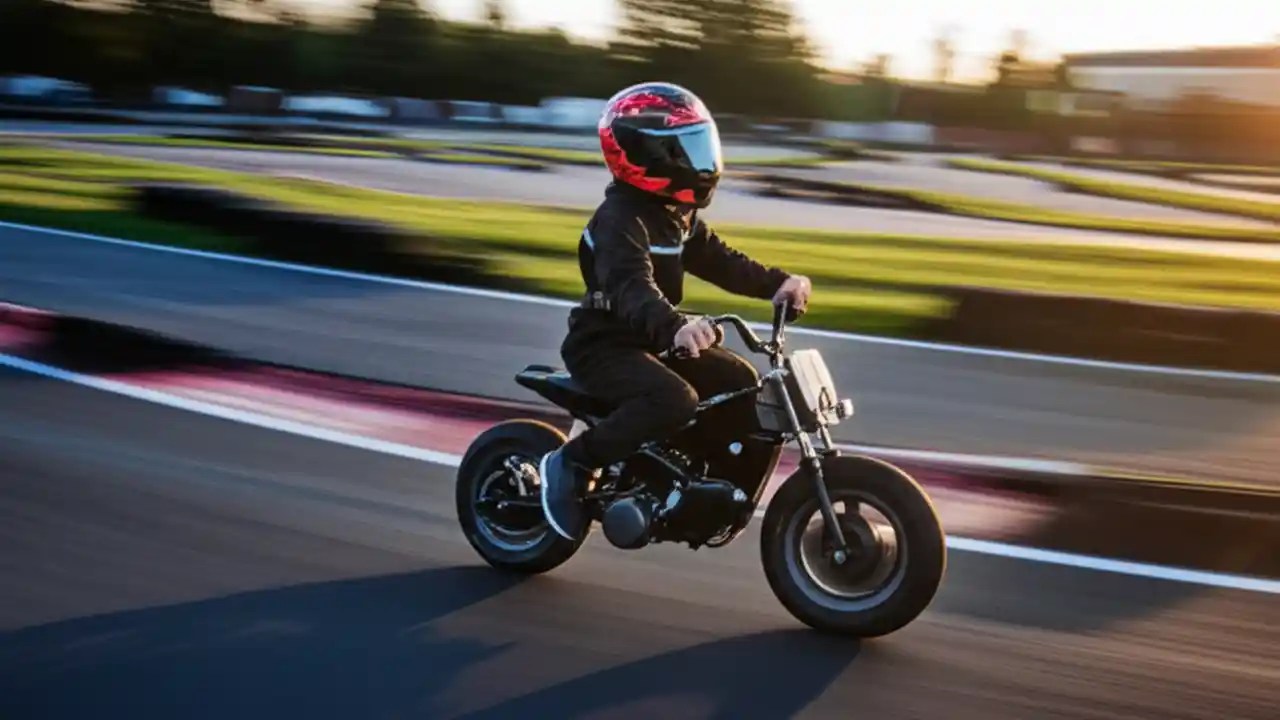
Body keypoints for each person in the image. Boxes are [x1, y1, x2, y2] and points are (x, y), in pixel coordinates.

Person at [540, 82, 812, 541]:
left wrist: (777, 284)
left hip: (651, 341)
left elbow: (720, 259)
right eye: (686, 148)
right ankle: (573, 460)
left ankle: (692, 489)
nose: (700, 161)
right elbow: (631, 286)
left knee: (742, 383)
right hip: (604, 346)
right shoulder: (619, 220)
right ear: (648, 154)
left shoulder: (675, 214)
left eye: (701, 145)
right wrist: (675, 327)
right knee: (673, 398)